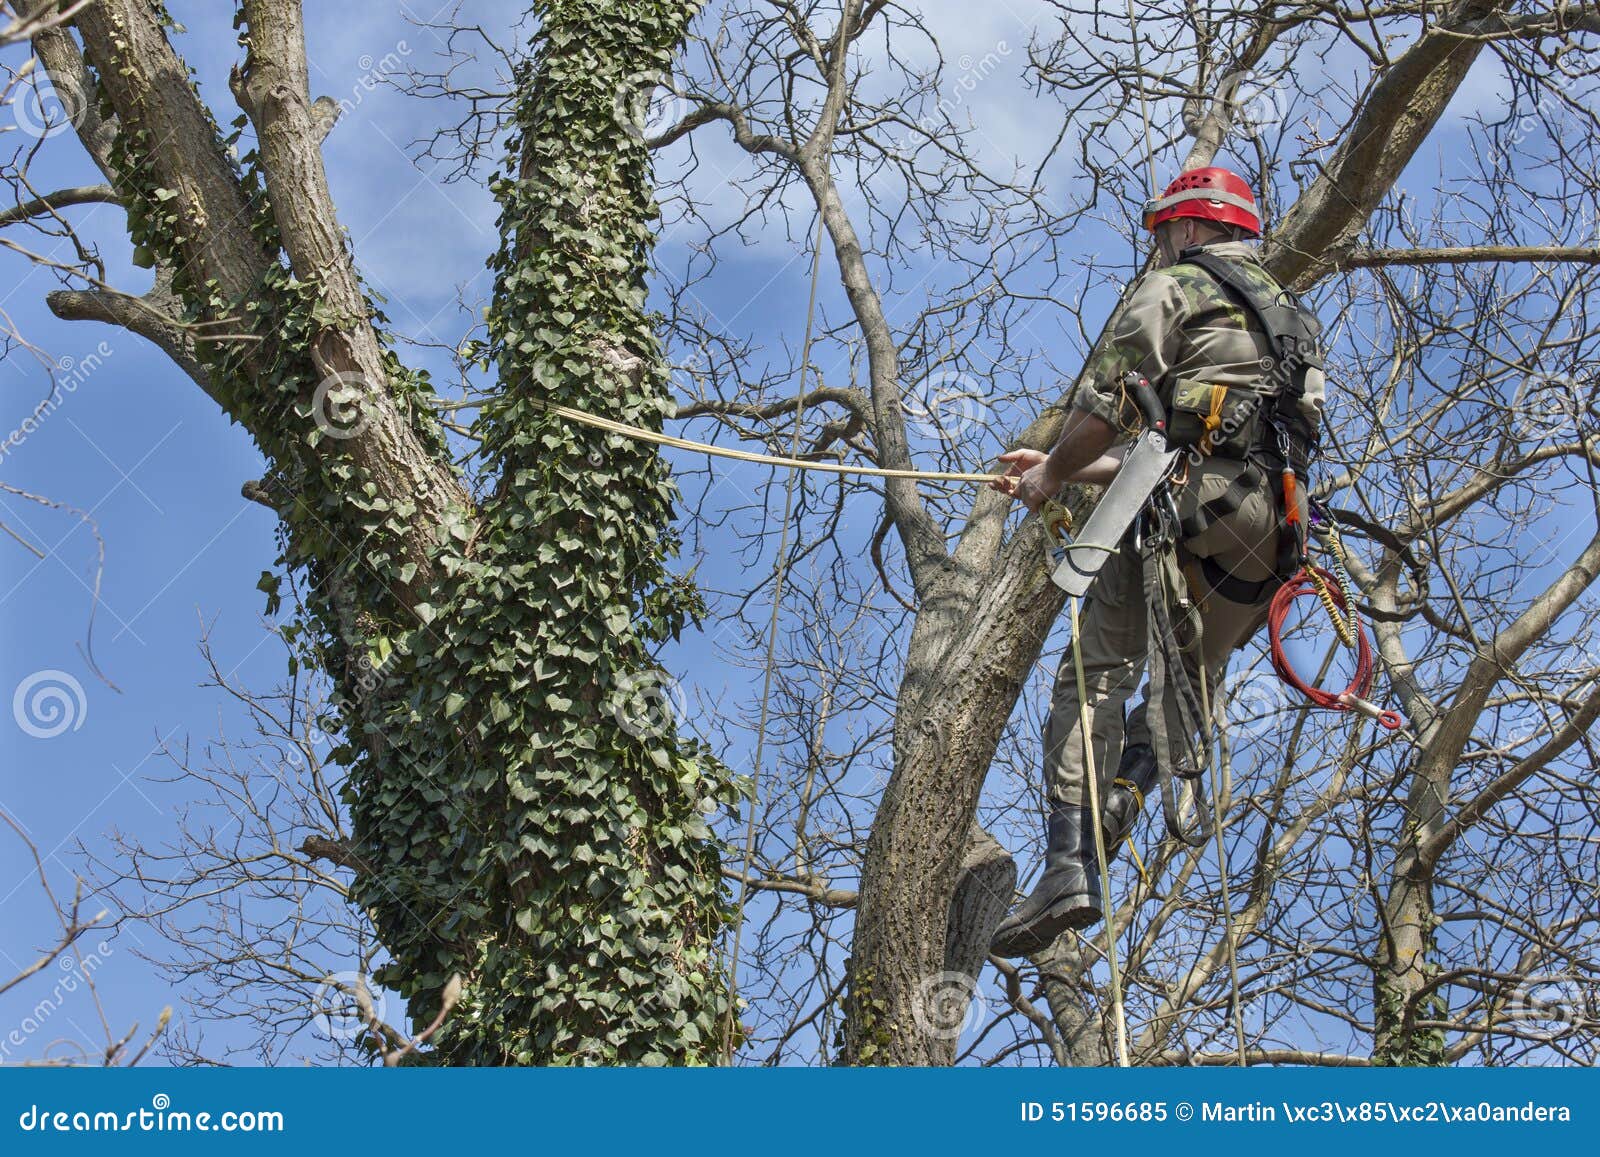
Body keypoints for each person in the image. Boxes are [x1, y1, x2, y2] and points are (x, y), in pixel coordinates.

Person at [989, 166, 1326, 957]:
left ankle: (1070, 862)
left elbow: (1111, 404)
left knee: (1092, 676)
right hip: (1269, 531)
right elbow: (1203, 440)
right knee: (1194, 677)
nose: (1159, 247)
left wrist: (1051, 474)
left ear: (1187, 226)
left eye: (1163, 232)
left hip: (1184, 514)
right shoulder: (1292, 320)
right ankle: (1127, 788)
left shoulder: (1176, 285)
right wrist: (1060, 464)